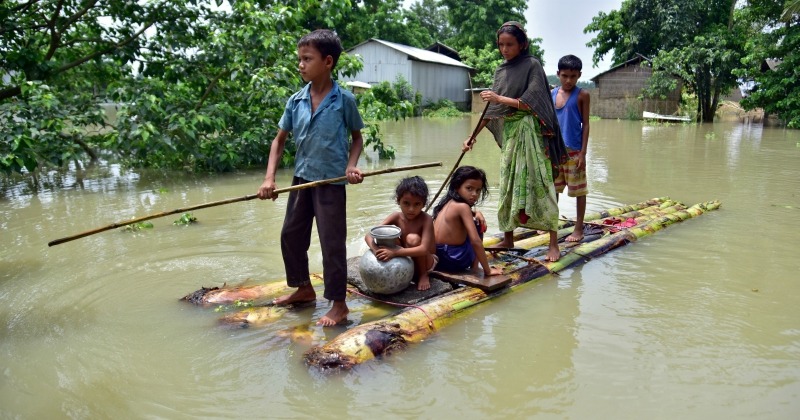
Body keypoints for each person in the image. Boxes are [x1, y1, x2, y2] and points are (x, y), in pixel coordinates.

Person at [256, 29, 364, 327]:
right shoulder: (296, 100)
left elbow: (357, 139)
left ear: (327, 62)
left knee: (332, 243)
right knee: (291, 235)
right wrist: (269, 179)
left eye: (307, 59)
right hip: (302, 180)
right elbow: (278, 141)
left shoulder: (344, 100)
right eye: (299, 59)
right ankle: (303, 289)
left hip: (331, 183)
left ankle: (339, 305)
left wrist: (351, 167)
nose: (301, 65)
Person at [462, 21, 568, 262]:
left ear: (522, 44)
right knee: (508, 183)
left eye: (510, 44)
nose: (505, 49)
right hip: (511, 134)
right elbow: (491, 111)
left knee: (541, 184)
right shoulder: (501, 71)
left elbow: (533, 101)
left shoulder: (533, 65)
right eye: (501, 45)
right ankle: (508, 237)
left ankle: (553, 243)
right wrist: (472, 136)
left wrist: (499, 97)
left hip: (530, 132)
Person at [364, 176, 437, 291]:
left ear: (423, 204)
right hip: (407, 257)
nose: (411, 209)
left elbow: (423, 249)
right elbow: (369, 235)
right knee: (389, 238)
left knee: (412, 239)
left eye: (417, 204)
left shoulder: (426, 219)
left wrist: (395, 252)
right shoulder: (396, 216)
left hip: (427, 261)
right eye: (406, 203)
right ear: (398, 201)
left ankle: (423, 275)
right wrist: (376, 250)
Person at [431, 166, 503, 277]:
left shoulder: (447, 202)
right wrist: (488, 270)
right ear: (457, 187)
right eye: (469, 189)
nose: (474, 194)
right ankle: (475, 267)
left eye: (478, 190)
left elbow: (460, 214)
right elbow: (475, 241)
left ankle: (475, 265)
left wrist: (476, 212)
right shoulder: (463, 207)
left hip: (438, 259)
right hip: (453, 261)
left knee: (476, 220)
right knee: (478, 225)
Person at [551, 54, 591, 242]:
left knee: (578, 191)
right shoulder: (551, 94)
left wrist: (583, 153)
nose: (568, 80)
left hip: (574, 152)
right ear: (558, 74)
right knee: (554, 191)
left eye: (573, 76)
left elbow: (586, 125)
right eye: (565, 75)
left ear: (579, 76)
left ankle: (578, 228)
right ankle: (551, 225)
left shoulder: (582, 95)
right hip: (555, 152)